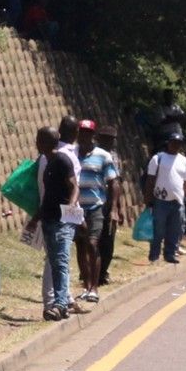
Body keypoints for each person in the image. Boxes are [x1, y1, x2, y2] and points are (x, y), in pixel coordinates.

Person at [35, 126, 78, 321]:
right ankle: (61, 304)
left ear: (44, 143)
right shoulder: (48, 162)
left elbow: (74, 186)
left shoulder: (62, 160)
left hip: (62, 221)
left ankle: (60, 304)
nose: (35, 143)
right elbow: (48, 196)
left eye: (38, 139)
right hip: (48, 219)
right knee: (54, 262)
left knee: (60, 261)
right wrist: (35, 219)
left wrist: (69, 208)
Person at [74, 119, 117, 304]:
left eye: (88, 133)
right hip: (75, 208)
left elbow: (114, 182)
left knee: (93, 244)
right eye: (81, 132)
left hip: (95, 207)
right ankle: (85, 285)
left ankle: (94, 287)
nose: (84, 136)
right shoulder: (72, 154)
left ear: (93, 136)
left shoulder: (103, 156)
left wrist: (114, 208)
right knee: (80, 246)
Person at [144, 130, 186, 266]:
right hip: (160, 200)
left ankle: (170, 254)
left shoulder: (184, 160)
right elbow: (150, 180)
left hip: (178, 201)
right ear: (168, 143)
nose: (176, 145)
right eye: (173, 142)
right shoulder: (158, 158)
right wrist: (148, 199)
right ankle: (154, 255)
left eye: (178, 143)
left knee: (175, 229)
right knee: (158, 229)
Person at [92, 123, 122, 287]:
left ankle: (103, 271)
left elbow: (118, 183)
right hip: (94, 202)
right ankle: (91, 274)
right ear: (99, 139)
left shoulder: (115, 157)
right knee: (93, 240)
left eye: (113, 140)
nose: (112, 142)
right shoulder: (92, 153)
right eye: (109, 139)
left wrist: (118, 207)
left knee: (108, 241)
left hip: (110, 204)